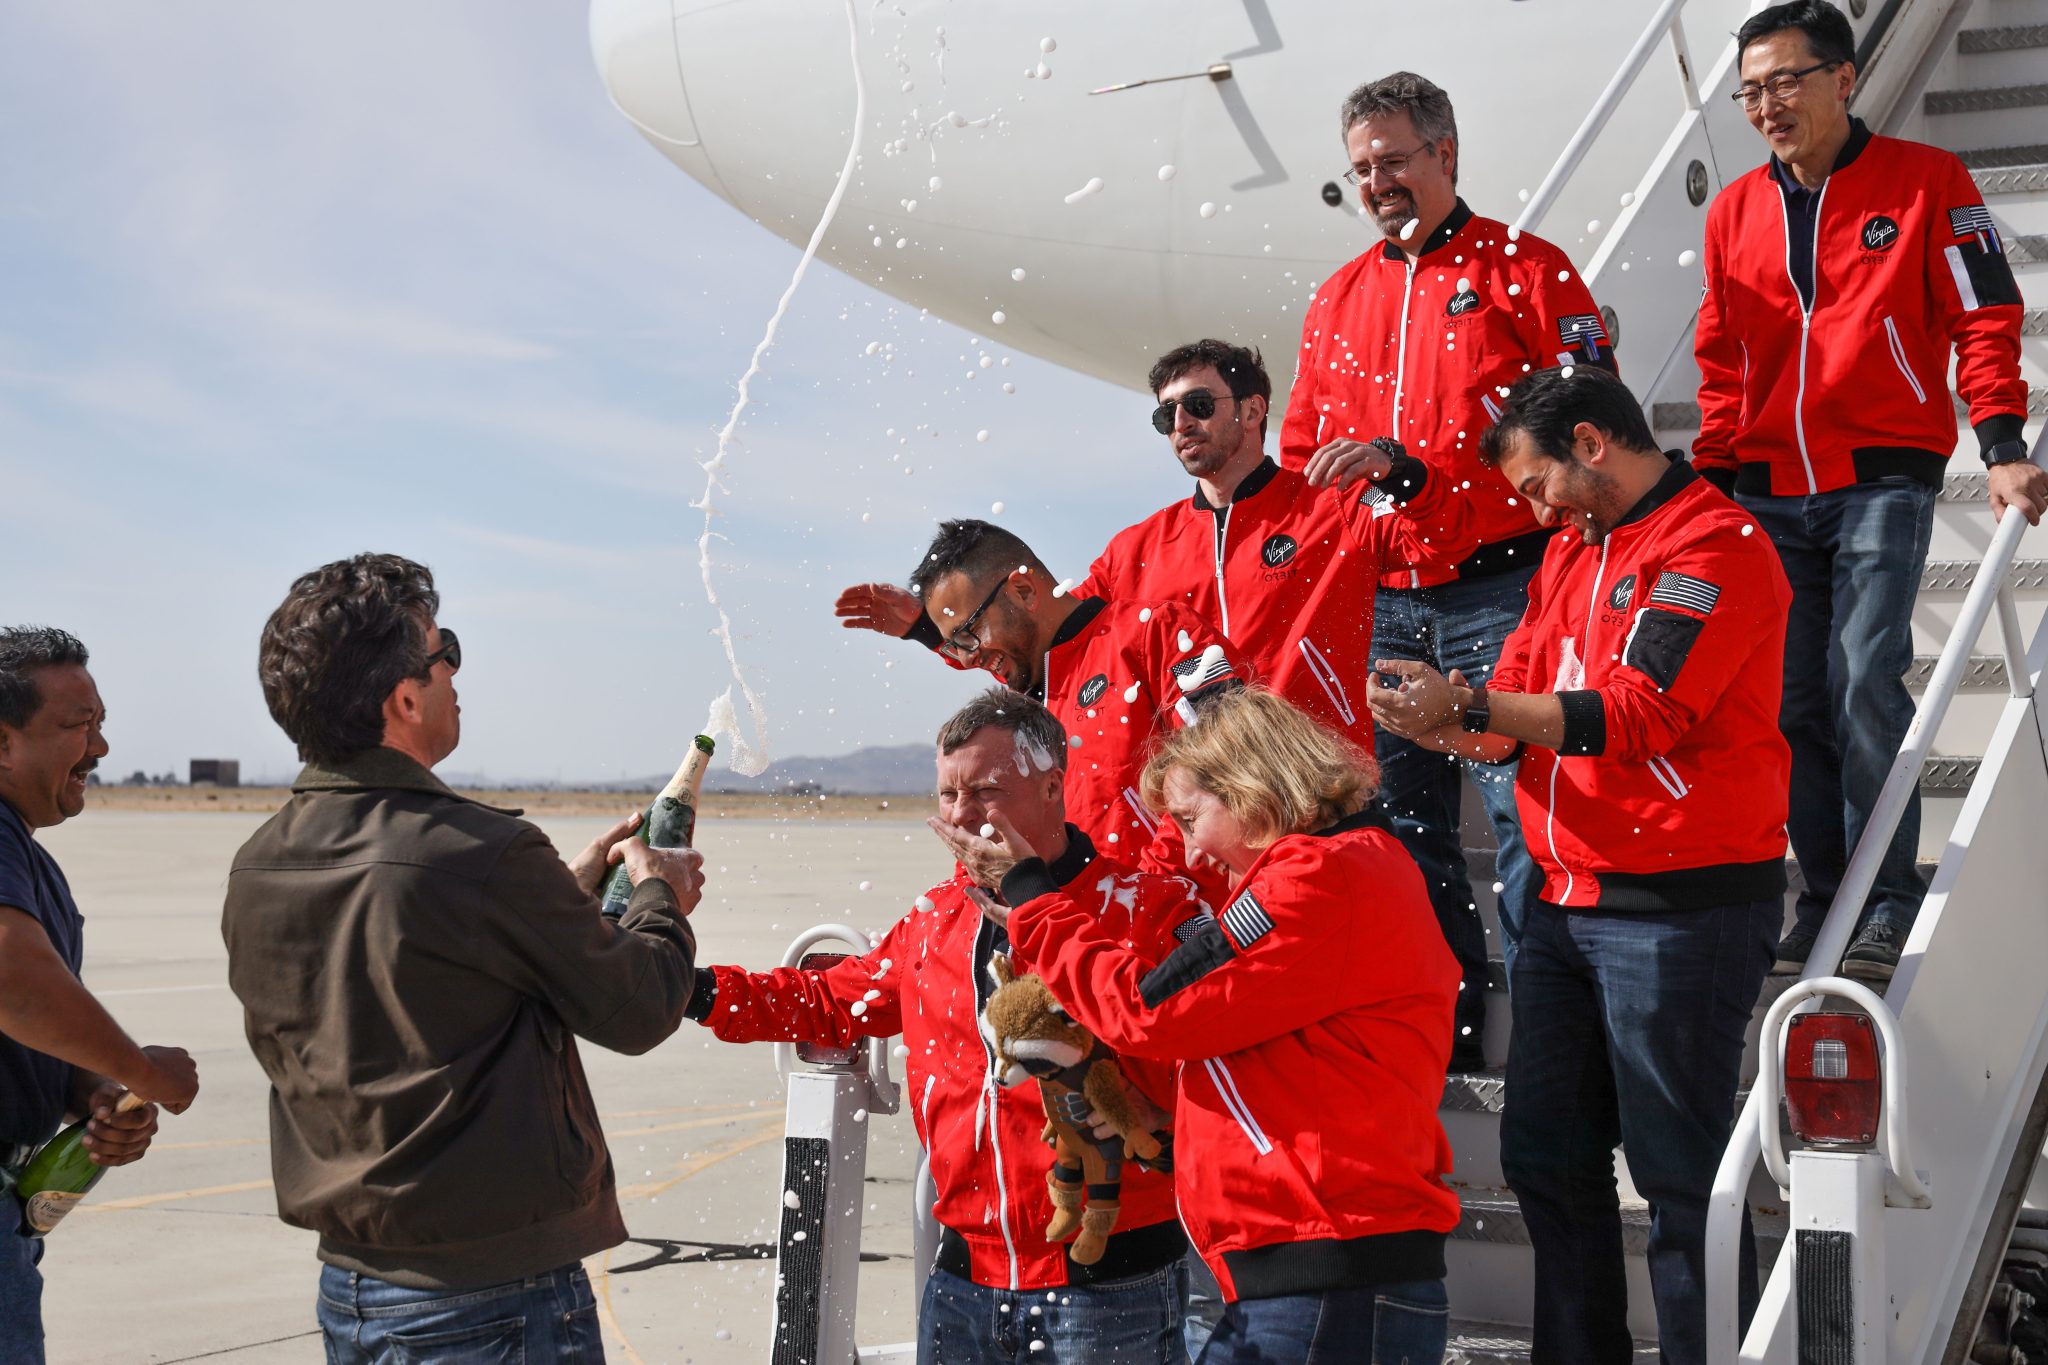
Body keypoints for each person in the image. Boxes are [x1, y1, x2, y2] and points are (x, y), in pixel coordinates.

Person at [1366, 366, 1789, 1364]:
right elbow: (1510, 711)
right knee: (1545, 1155)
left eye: (1532, 487)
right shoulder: (1568, 555)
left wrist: (1469, 710)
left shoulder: (1711, 545)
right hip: (1559, 902)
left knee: (1678, 1172)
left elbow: (1642, 716)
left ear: (1590, 446)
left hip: (1678, 909)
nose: (1530, 509)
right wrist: (1435, 724)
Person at [222, 554, 704, 1364]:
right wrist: (659, 898)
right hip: (491, 1301)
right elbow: (639, 1008)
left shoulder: (260, 860)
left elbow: (418, 974)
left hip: (353, 1287)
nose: (455, 674)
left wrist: (567, 893)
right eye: (444, 651)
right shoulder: (481, 853)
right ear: (404, 697)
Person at [685, 689, 1204, 1364]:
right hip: (961, 1287)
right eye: (947, 794)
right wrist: (689, 988)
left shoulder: (1146, 911)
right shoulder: (934, 921)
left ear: (1054, 786)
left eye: (985, 790)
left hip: (1109, 1289)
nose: (960, 816)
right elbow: (828, 1003)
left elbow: (1190, 1071)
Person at [1693, 0, 2045, 981]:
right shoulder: (1731, 211)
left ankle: (1885, 901)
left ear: (1841, 80)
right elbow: (1720, 361)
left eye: (1784, 82)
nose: (1765, 105)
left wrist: (2002, 441)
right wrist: (1714, 477)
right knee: (1791, 704)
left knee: (1860, 681)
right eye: (1749, 91)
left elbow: (1982, 317)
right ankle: (1826, 899)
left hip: (1880, 475)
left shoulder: (1927, 182)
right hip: (1765, 490)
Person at [978, 687, 1460, 1365]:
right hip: (1329, 1268)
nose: (1187, 848)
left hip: (1324, 1274)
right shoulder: (1356, 867)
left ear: (1248, 786)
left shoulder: (1311, 881)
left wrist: (1038, 902)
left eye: (1187, 817)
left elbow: (1151, 1011)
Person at [1280, 71, 1617, 1002]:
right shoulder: (1337, 298)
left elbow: (1590, 415)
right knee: (1402, 821)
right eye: (1360, 170)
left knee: (1525, 808)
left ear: (1445, 155)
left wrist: (1433, 476)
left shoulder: (1526, 268)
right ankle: (1454, 1007)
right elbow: (1305, 451)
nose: (1377, 182)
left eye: (1392, 160)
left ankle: (1551, 1009)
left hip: (1502, 588)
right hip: (1385, 602)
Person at [1080, 337, 1485, 1065]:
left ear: (1254, 409)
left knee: (1371, 967)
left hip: (1318, 801)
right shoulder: (1137, 549)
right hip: (1206, 820)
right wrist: (933, 629)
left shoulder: (1332, 512)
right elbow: (1057, 633)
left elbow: (1449, 539)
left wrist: (1402, 470)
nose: (1182, 425)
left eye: (1199, 406)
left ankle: (1451, 1049)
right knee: (1231, 1019)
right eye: (1166, 415)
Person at [834, 519, 1243, 886]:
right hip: (1073, 936)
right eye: (953, 645)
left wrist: (1141, 902)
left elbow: (1231, 770)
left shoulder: (1156, 634)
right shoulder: (1025, 692)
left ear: (1024, 591)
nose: (965, 658)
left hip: (1172, 931)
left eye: (967, 635)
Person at [0, 627, 200, 1365]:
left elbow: (25, 1021)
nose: (101, 747)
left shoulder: (30, 862)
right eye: (77, 726)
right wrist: (146, 1075)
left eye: (102, 723)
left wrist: (91, 1090)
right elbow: (10, 977)